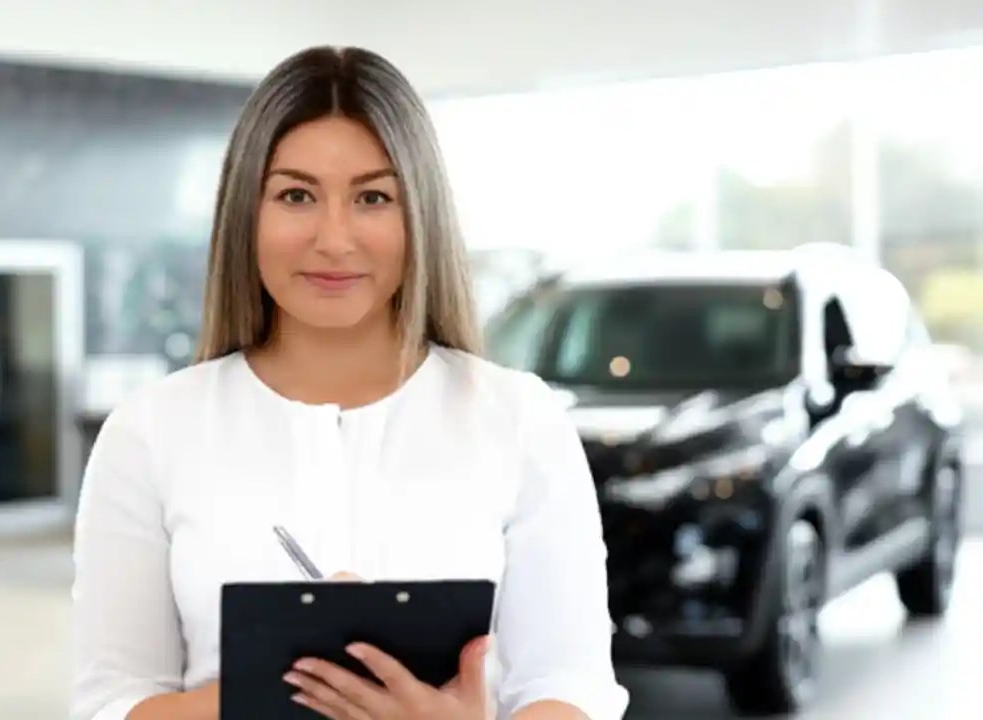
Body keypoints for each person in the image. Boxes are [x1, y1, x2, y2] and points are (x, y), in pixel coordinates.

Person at [71, 46, 628, 720]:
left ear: (418, 213)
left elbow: (574, 688)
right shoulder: (152, 431)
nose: (334, 239)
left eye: (372, 197)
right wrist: (286, 687)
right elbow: (109, 702)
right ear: (247, 212)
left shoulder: (518, 420)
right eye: (296, 195)